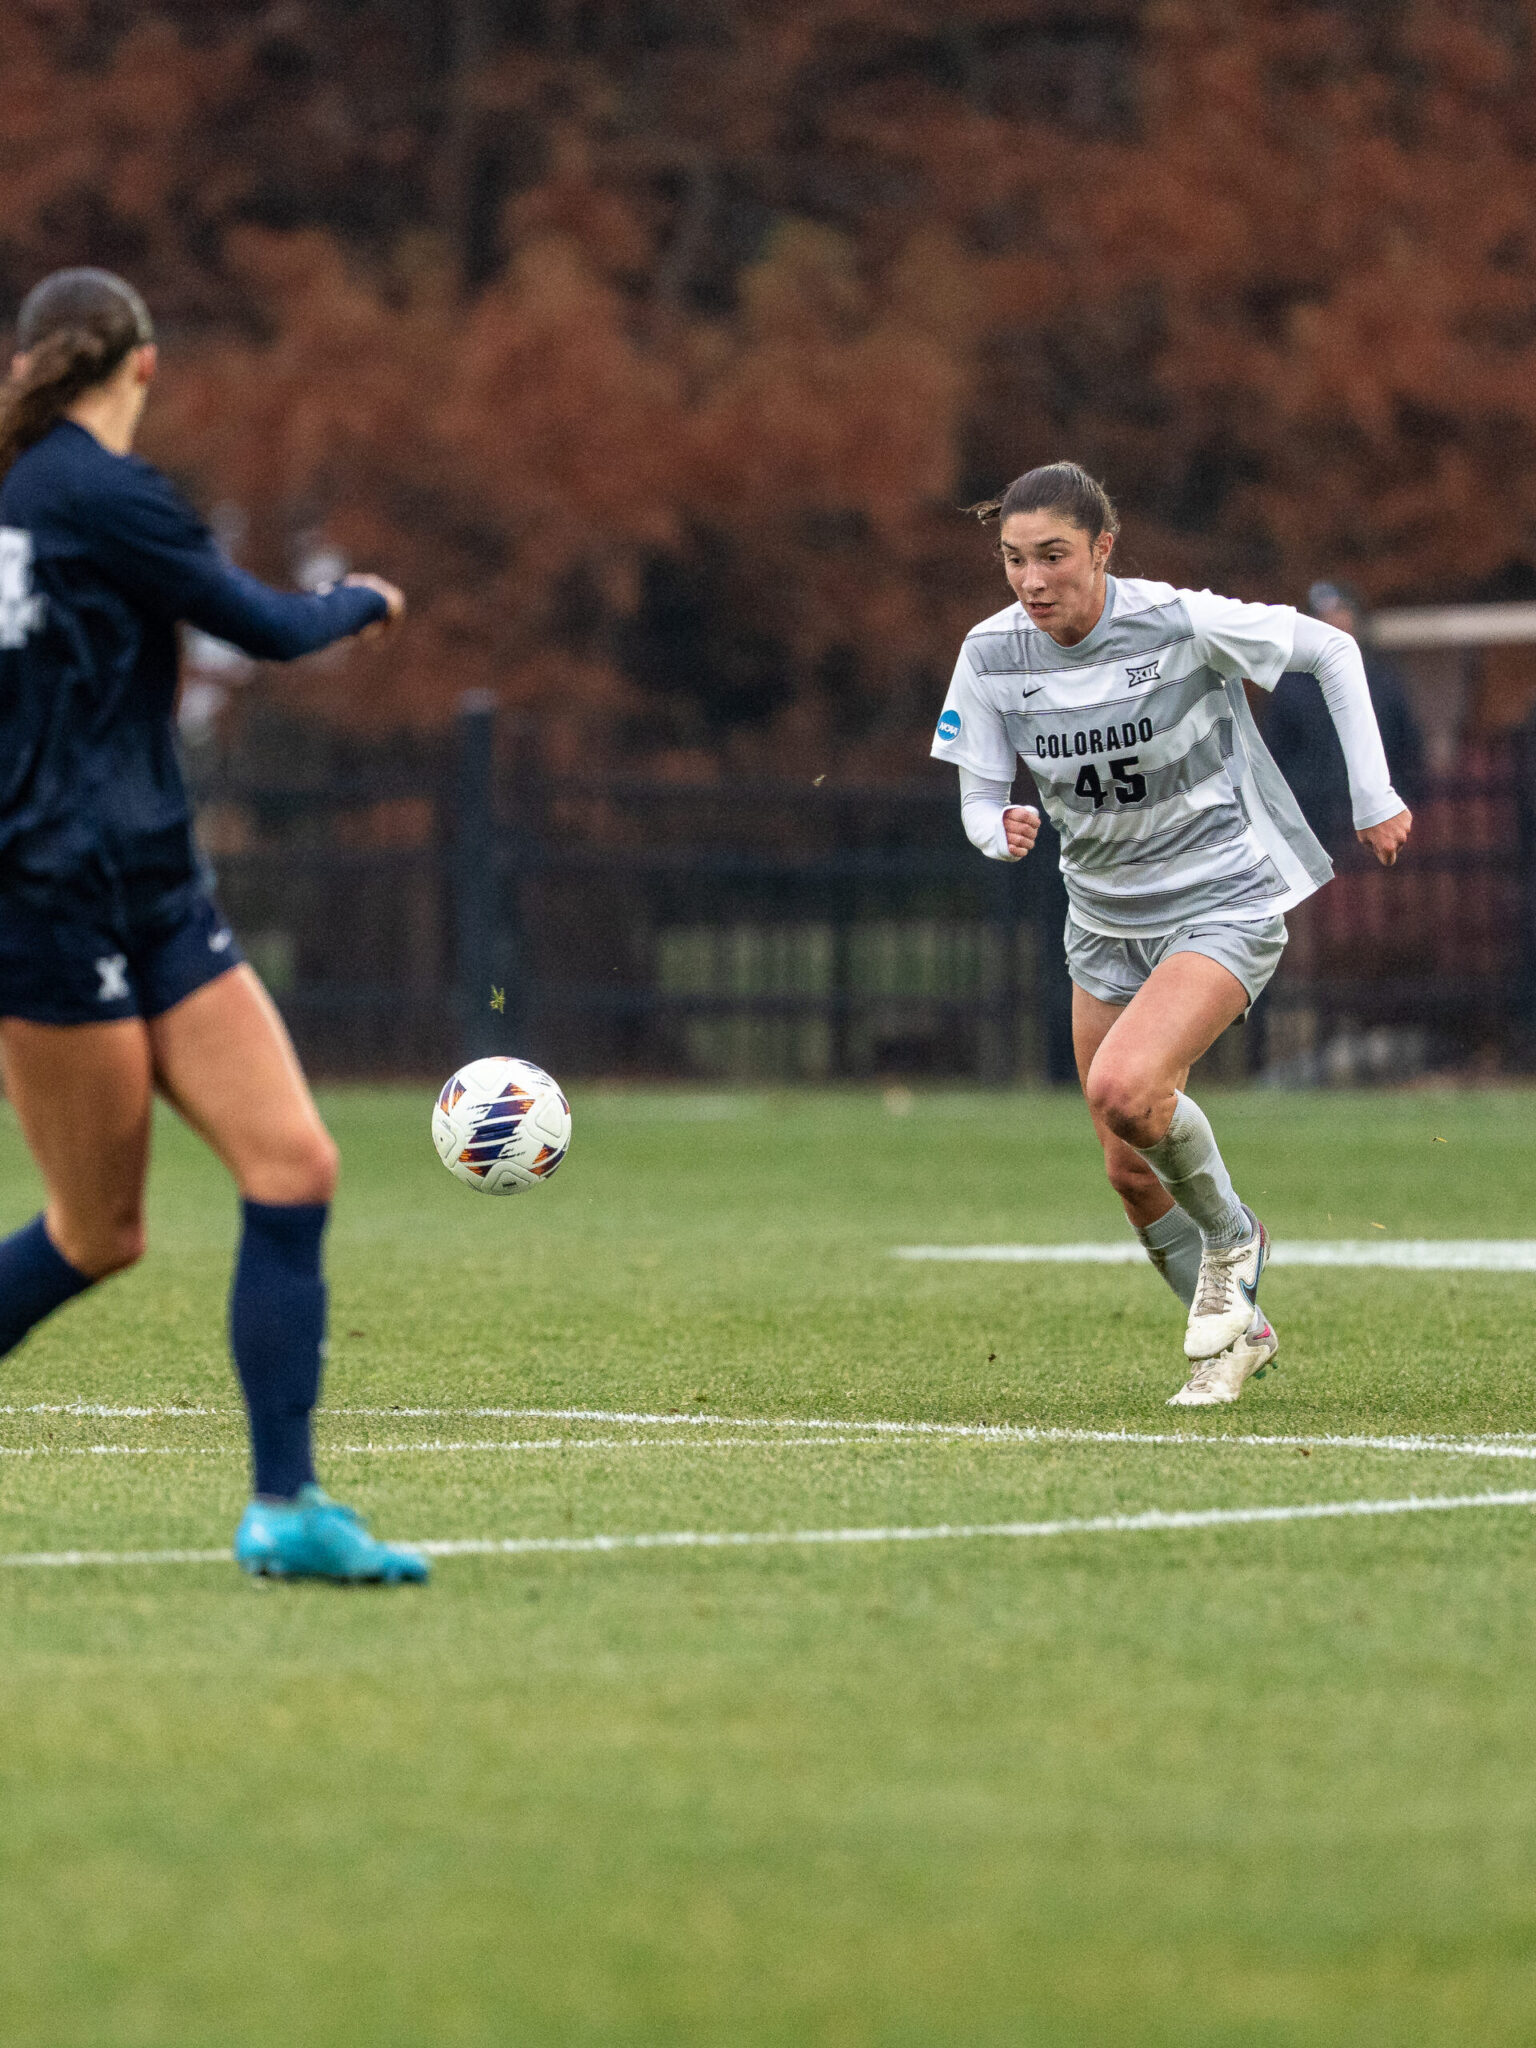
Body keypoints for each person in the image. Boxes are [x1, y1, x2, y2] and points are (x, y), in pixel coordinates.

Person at [0, 266, 425, 1579]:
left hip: (156, 889)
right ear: (142, 366)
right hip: (52, 899)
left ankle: (287, 1510)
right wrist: (365, 599)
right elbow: (271, 628)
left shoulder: (36, 494)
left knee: (294, 1166)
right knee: (95, 1232)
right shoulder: (96, 492)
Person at [932, 463, 1412, 1406]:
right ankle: (1240, 1339)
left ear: (1103, 549)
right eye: (1014, 560)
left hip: (1223, 900)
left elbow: (1331, 652)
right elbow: (981, 794)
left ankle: (1236, 1239)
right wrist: (999, 831)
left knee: (1124, 1088)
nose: (1032, 582)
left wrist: (1374, 794)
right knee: (1127, 1164)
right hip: (1103, 921)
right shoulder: (990, 654)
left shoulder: (1177, 621)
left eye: (1054, 558)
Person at [1263, 580, 1426, 847]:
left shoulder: (1382, 680)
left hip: (1379, 826)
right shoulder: (1289, 687)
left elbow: (1408, 749)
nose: (1335, 622)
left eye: (1341, 612)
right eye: (1324, 616)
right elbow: (1274, 758)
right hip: (1312, 827)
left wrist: (1400, 800)